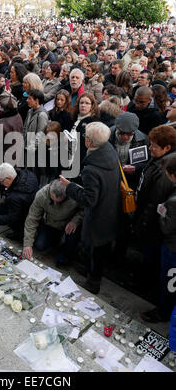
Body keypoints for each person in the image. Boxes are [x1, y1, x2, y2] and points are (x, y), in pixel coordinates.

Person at [60, 122, 121, 294]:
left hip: (98, 215)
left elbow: (89, 200)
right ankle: (90, 270)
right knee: (99, 249)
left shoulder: (91, 170)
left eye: (86, 136)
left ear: (90, 142)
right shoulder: (109, 150)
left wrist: (69, 186)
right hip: (110, 208)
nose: (84, 139)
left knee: (95, 250)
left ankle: (93, 282)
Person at [134, 125, 176, 299]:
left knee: (150, 258)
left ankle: (145, 287)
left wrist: (141, 224)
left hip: (151, 226)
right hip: (147, 220)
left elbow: (153, 204)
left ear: (167, 148)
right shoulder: (158, 161)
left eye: (154, 146)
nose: (150, 148)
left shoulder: (165, 171)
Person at [140, 152, 176, 323]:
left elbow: (167, 227)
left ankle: (162, 311)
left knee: (168, 282)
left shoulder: (173, 201)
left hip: (172, 248)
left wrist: (162, 213)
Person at [22, 179, 84, 266]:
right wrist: (27, 244)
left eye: (59, 202)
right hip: (51, 223)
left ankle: (65, 255)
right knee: (40, 245)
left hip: (69, 224)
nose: (55, 204)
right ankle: (56, 240)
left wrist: (75, 220)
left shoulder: (77, 192)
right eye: (52, 200)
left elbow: (86, 209)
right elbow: (32, 218)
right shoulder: (41, 194)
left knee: (71, 240)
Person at [0, 163, 38, 240]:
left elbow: (12, 217)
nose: (1, 184)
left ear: (9, 178)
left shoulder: (15, 197)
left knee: (1, 212)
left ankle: (19, 234)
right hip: (32, 208)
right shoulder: (29, 174)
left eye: (2, 182)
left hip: (27, 217)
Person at [69, 93, 101, 166]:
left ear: (92, 106)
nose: (83, 105)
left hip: (82, 160)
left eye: (87, 103)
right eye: (81, 103)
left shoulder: (94, 122)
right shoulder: (73, 117)